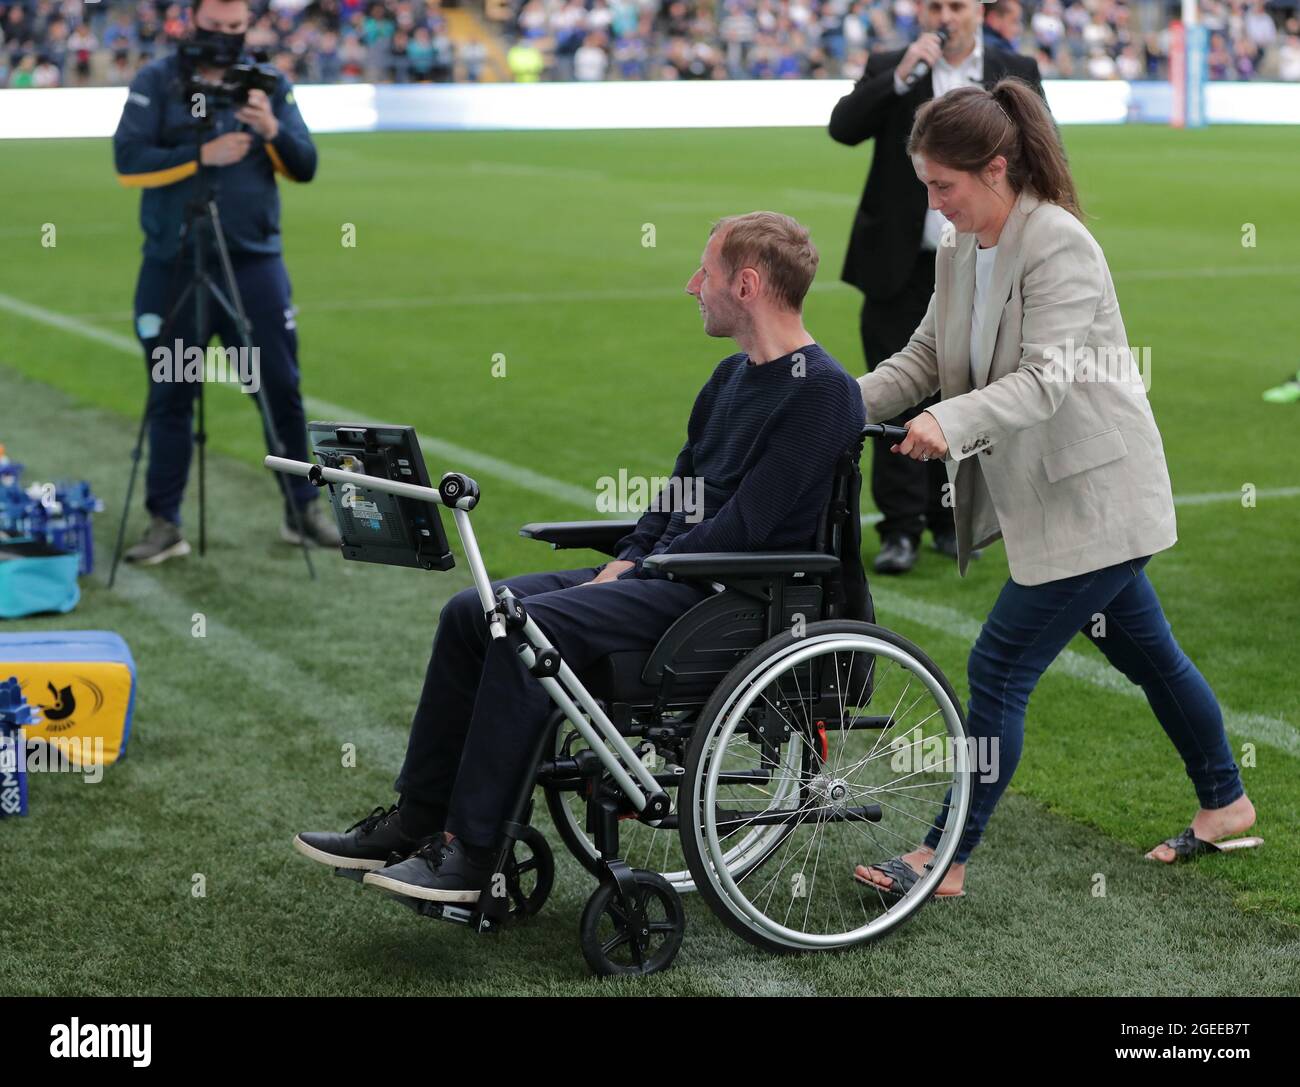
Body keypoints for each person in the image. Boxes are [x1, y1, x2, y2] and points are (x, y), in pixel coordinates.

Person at [294, 212, 866, 905]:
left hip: (732, 596)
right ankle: (417, 819)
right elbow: (675, 497)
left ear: (746, 285)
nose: (692, 286)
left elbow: (745, 526)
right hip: (675, 576)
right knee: (471, 611)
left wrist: (648, 567)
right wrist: (628, 557)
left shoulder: (824, 391)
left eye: (705, 274)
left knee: (522, 627)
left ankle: (472, 856)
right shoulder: (728, 378)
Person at [852, 80, 1261, 900]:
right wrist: (831, 402)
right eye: (926, 187)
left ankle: (944, 856)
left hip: (1100, 498)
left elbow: (1044, 381)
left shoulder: (1059, 243)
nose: (934, 205)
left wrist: (950, 422)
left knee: (998, 667)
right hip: (1053, 498)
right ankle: (1226, 799)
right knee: (1149, 653)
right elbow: (925, 358)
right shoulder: (962, 246)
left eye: (944, 187)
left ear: (997, 168)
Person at [113, 0, 339, 565]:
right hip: (176, 269)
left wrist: (270, 131)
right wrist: (200, 155)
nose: (226, 39)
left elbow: (306, 164)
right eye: (215, 29)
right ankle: (165, 521)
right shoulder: (157, 79)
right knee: (172, 394)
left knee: (277, 390)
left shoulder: (268, 82)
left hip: (253, 268)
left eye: (237, 29)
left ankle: (301, 511)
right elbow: (127, 161)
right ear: (191, 22)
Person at [829, 0, 1042, 575]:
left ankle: (951, 519)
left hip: (982, 255)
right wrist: (898, 76)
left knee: (966, 388)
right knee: (901, 381)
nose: (945, 14)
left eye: (956, 4)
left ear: (979, 10)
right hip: (900, 258)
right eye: (934, 4)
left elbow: (1039, 154)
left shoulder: (1013, 68)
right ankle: (899, 529)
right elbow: (843, 129)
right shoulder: (893, 61)